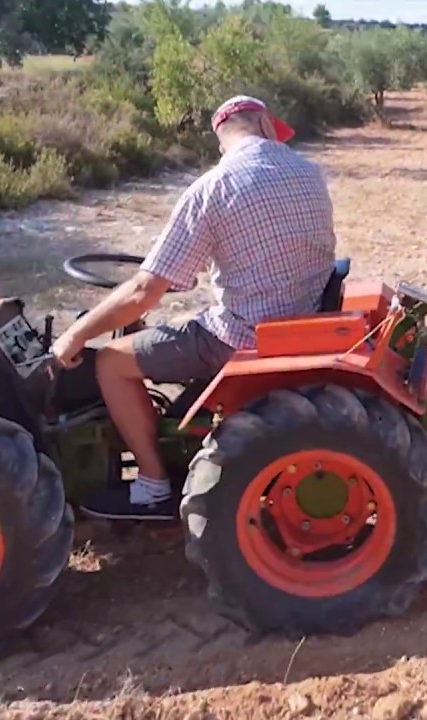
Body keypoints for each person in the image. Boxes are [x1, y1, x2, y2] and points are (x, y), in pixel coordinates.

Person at [51, 95, 338, 521]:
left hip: (243, 337)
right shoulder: (310, 174)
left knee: (110, 360)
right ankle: (175, 440)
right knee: (174, 329)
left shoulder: (213, 189)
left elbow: (143, 291)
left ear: (225, 138)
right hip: (304, 318)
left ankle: (151, 485)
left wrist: (75, 336)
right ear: (264, 124)